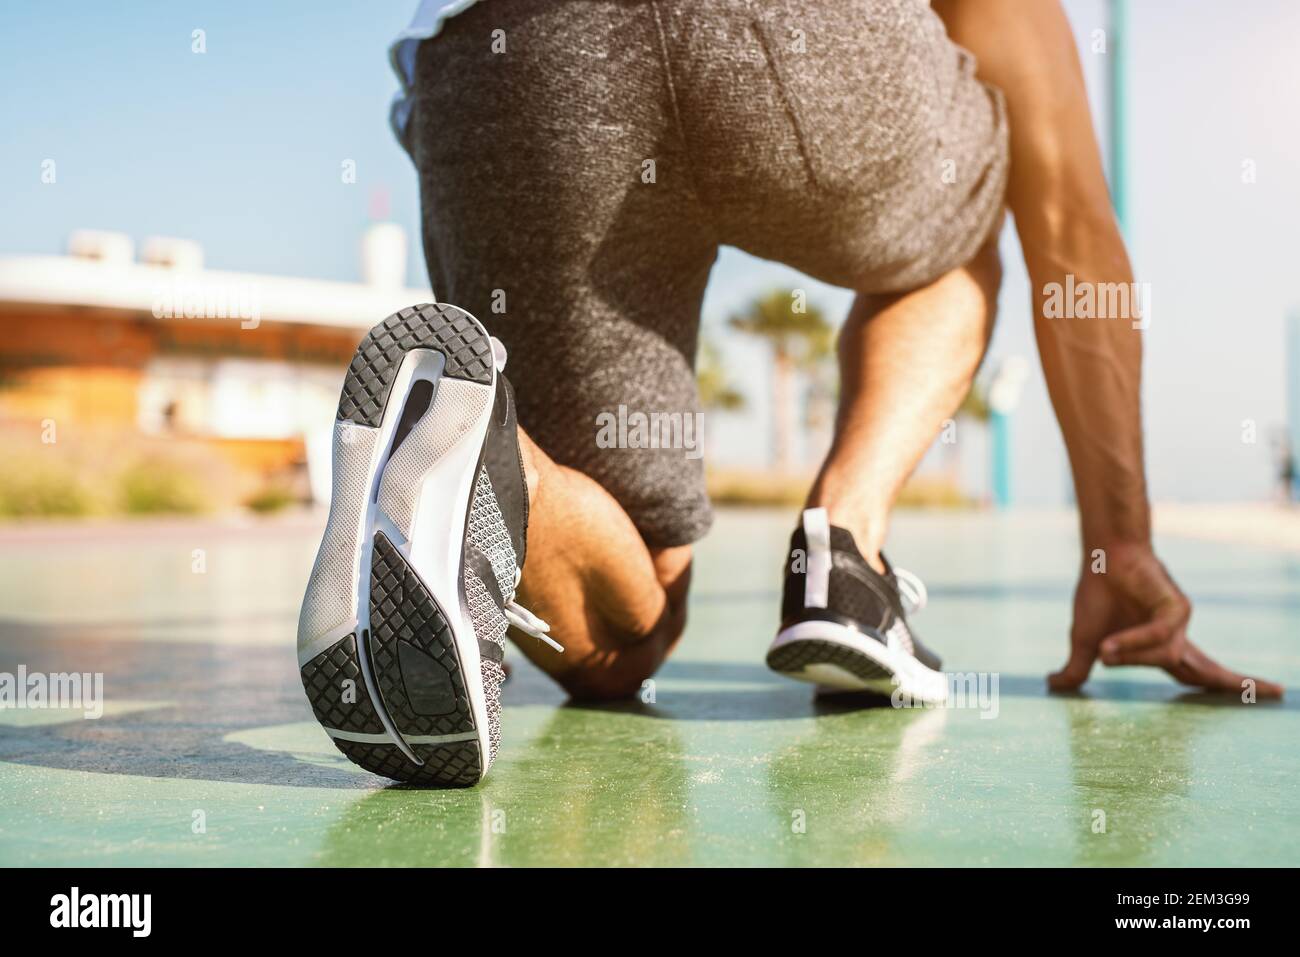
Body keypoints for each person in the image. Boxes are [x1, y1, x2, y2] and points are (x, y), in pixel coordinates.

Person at [295, 0, 1279, 788]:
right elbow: (1070, 227)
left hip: (511, 63)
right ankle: (842, 553)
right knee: (976, 197)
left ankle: (490, 467)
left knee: (620, 643)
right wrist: (1122, 542)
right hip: (794, 42)